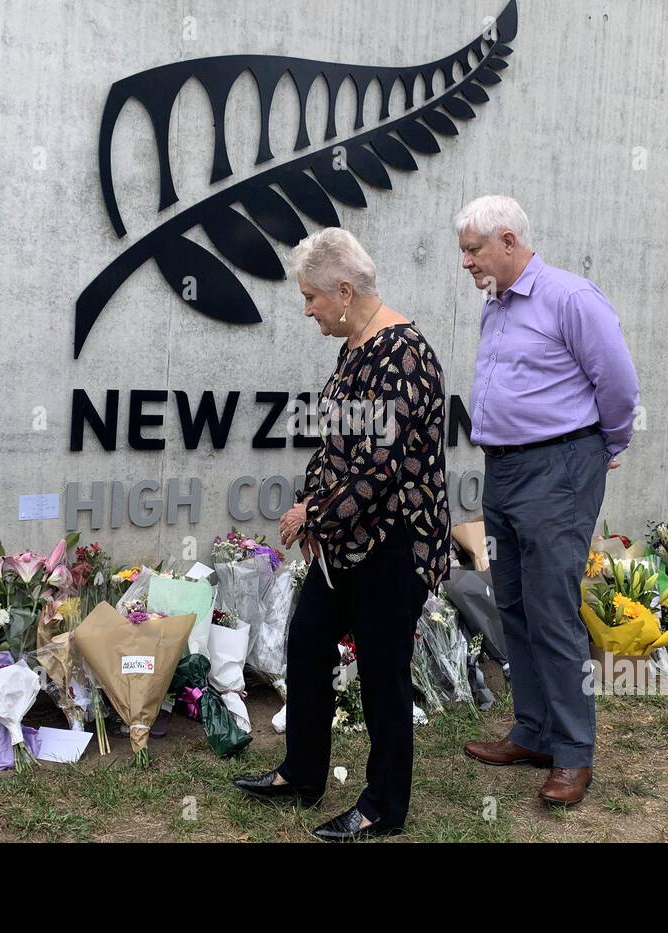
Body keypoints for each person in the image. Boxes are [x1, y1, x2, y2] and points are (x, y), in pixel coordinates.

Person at [232, 228, 451, 841]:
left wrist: (314, 516)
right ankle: (303, 774)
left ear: (345, 291)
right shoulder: (356, 346)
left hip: (392, 545)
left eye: (311, 298)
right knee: (306, 644)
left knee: (383, 675)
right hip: (347, 542)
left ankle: (384, 807)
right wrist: (311, 499)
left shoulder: (402, 354)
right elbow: (338, 447)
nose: (307, 311)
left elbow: (380, 471)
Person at [455, 195, 640, 807]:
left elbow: (617, 381)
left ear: (508, 241)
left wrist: (602, 447)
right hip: (503, 471)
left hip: (558, 468)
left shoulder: (570, 297)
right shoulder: (497, 306)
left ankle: (572, 752)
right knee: (511, 600)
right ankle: (532, 732)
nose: (466, 261)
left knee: (552, 607)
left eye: (473, 249)